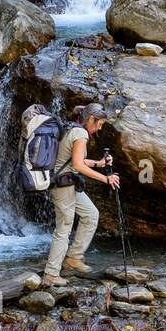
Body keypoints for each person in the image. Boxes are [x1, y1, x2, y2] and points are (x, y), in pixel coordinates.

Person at [43, 103, 120, 286]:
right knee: (64, 227)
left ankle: (73, 258)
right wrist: (106, 179)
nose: (99, 129)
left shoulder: (72, 128)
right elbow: (77, 165)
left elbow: (76, 159)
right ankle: (51, 273)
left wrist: (98, 164)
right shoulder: (81, 133)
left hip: (68, 183)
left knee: (91, 214)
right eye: (99, 124)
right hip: (63, 186)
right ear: (91, 119)